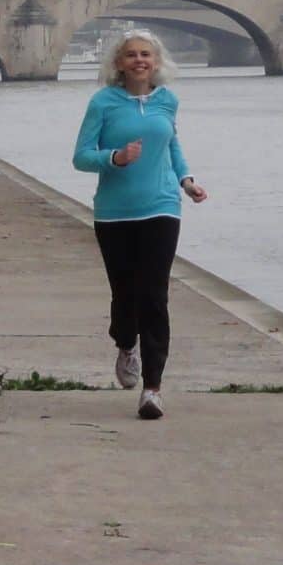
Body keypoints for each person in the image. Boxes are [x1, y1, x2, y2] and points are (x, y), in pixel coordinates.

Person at [73, 32, 206, 420]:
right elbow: (81, 157)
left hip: (162, 205)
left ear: (156, 61)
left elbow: (172, 146)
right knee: (125, 295)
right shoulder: (102, 103)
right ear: (118, 63)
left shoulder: (167, 100)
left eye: (145, 55)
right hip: (115, 212)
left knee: (155, 295)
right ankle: (125, 343)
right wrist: (114, 157)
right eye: (130, 55)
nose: (139, 61)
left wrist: (186, 180)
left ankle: (152, 388)